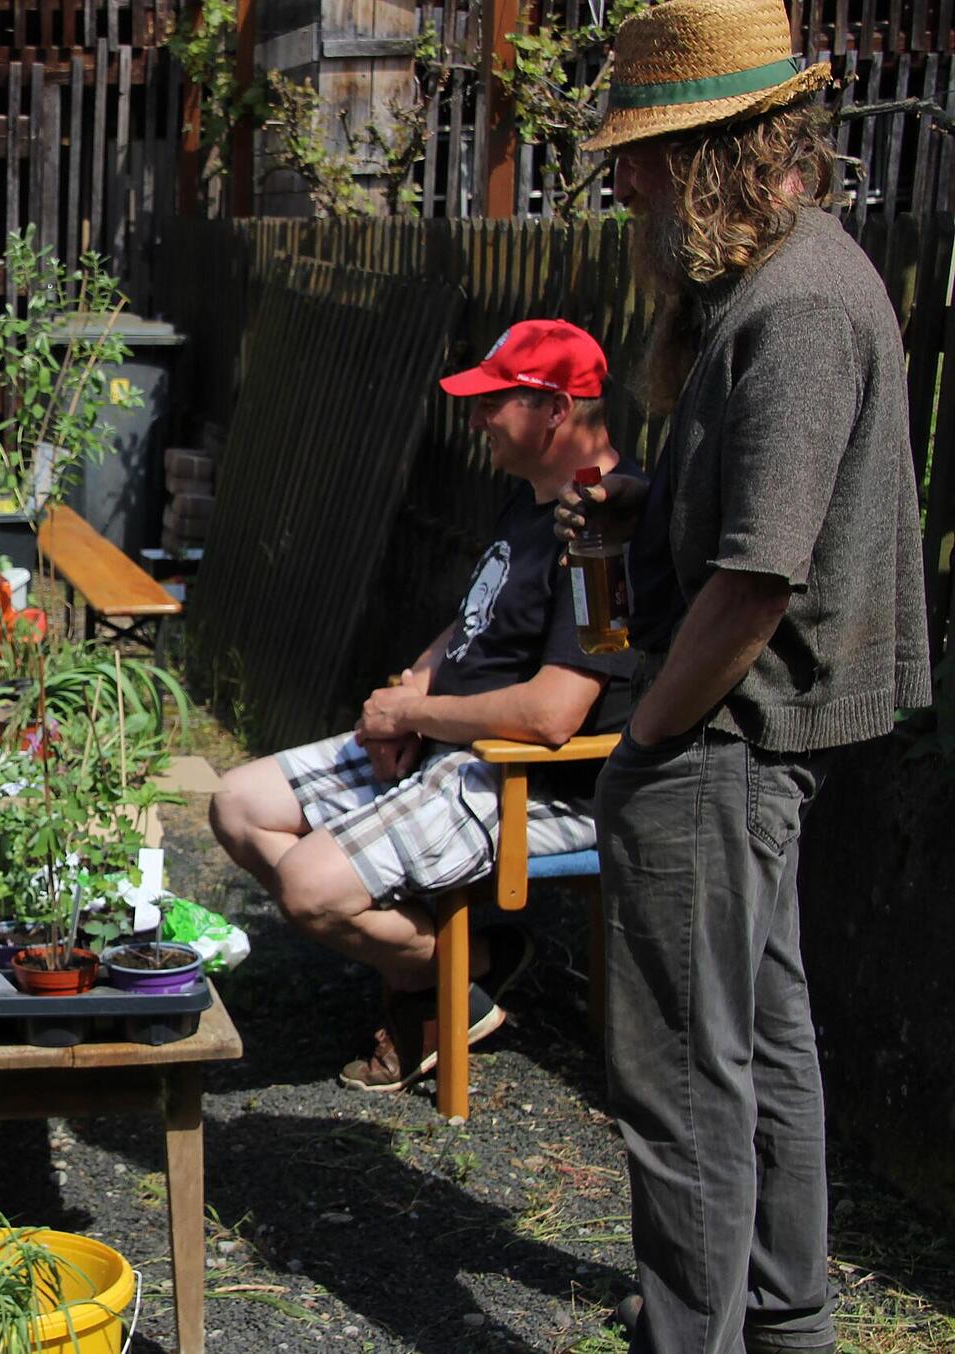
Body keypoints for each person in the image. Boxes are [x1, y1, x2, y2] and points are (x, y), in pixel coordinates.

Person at [566, 5, 930, 1351]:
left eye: (643, 160)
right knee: (759, 1036)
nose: (625, 186)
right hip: (737, 728)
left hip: (724, 732)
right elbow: (754, 523)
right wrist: (643, 500)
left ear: (713, 150)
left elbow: (761, 577)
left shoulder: (802, 304)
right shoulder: (771, 286)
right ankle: (785, 1320)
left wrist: (643, 740)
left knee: (682, 1078)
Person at [209, 320, 638, 1093]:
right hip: (451, 744)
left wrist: (414, 719)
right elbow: (477, 621)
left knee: (309, 889)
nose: (474, 421)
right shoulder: (531, 502)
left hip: (530, 780)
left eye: (493, 403)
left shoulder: (601, 529)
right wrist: (414, 685)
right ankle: (457, 963)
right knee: (237, 804)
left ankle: (444, 974)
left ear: (555, 410)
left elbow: (553, 714)